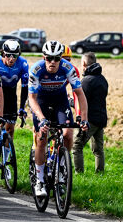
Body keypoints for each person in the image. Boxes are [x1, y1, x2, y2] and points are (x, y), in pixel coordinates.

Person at [27, 40, 89, 200]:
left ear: (61, 58)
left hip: (60, 99)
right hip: (40, 100)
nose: (53, 62)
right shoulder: (36, 69)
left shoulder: (68, 69)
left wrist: (84, 118)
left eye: (56, 59)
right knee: (42, 137)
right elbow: (32, 99)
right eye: (49, 58)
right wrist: (41, 119)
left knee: (68, 133)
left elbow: (80, 94)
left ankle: (62, 166)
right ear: (44, 57)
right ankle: (40, 180)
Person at [74, 52, 109, 174]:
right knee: (98, 149)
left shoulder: (86, 81)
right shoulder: (102, 79)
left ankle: (79, 173)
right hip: (101, 119)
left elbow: (81, 102)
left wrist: (70, 102)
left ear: (83, 64)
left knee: (77, 146)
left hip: (90, 120)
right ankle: (100, 173)